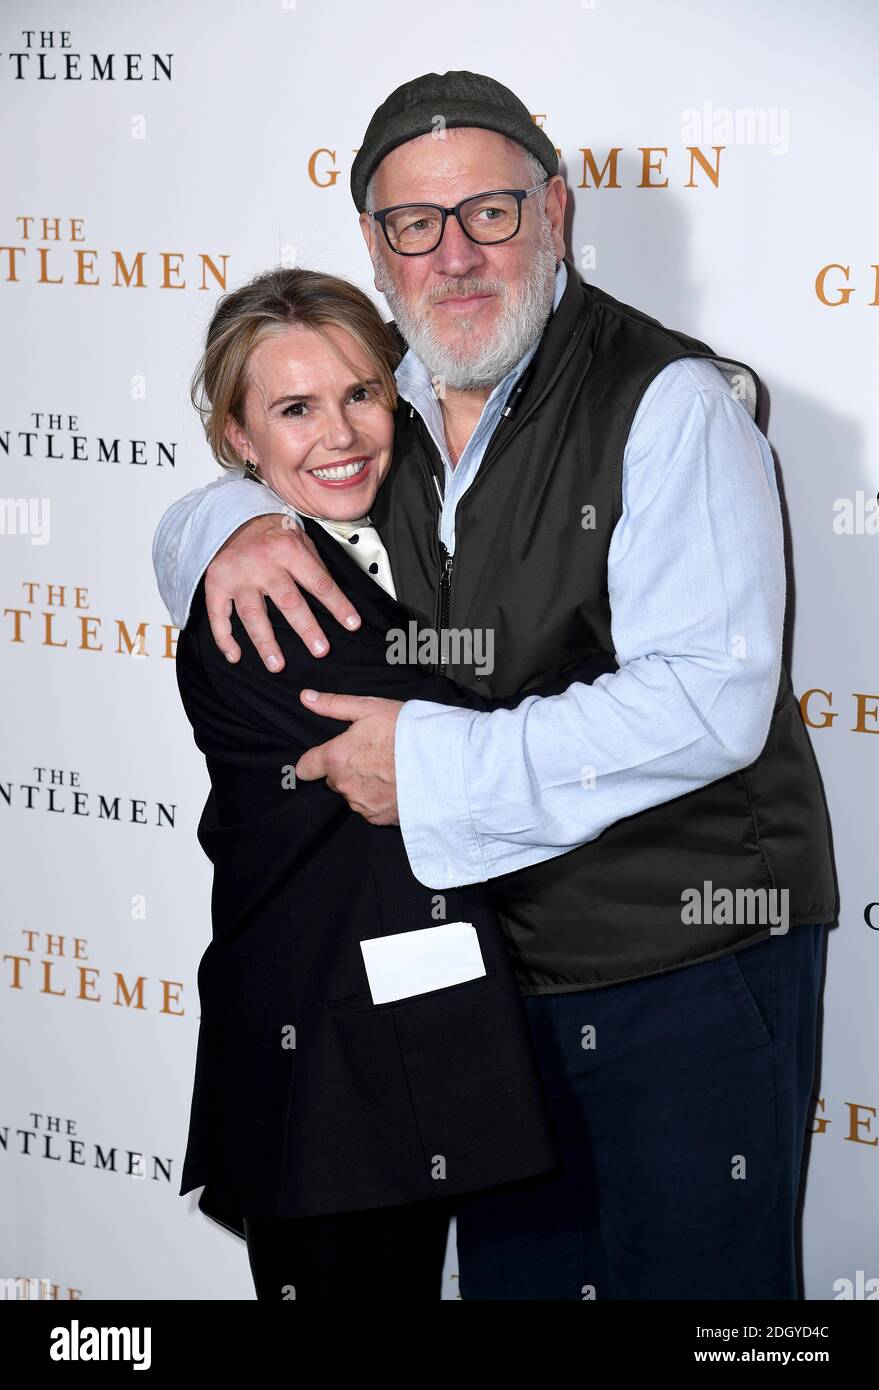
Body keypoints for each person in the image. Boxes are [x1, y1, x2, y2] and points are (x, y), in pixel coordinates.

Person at [155, 71, 837, 1300]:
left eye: (492, 212)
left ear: (558, 210)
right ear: (375, 244)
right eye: (416, 224)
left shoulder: (670, 402)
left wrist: (426, 764)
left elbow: (706, 699)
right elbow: (283, 443)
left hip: (683, 963)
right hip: (493, 990)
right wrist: (221, 520)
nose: (456, 255)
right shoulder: (390, 401)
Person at [172, 263, 615, 1301]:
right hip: (316, 1066)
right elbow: (490, 702)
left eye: (360, 394)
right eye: (293, 408)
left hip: (406, 1052)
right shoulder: (269, 604)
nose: (341, 434)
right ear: (240, 439)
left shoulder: (397, 546)